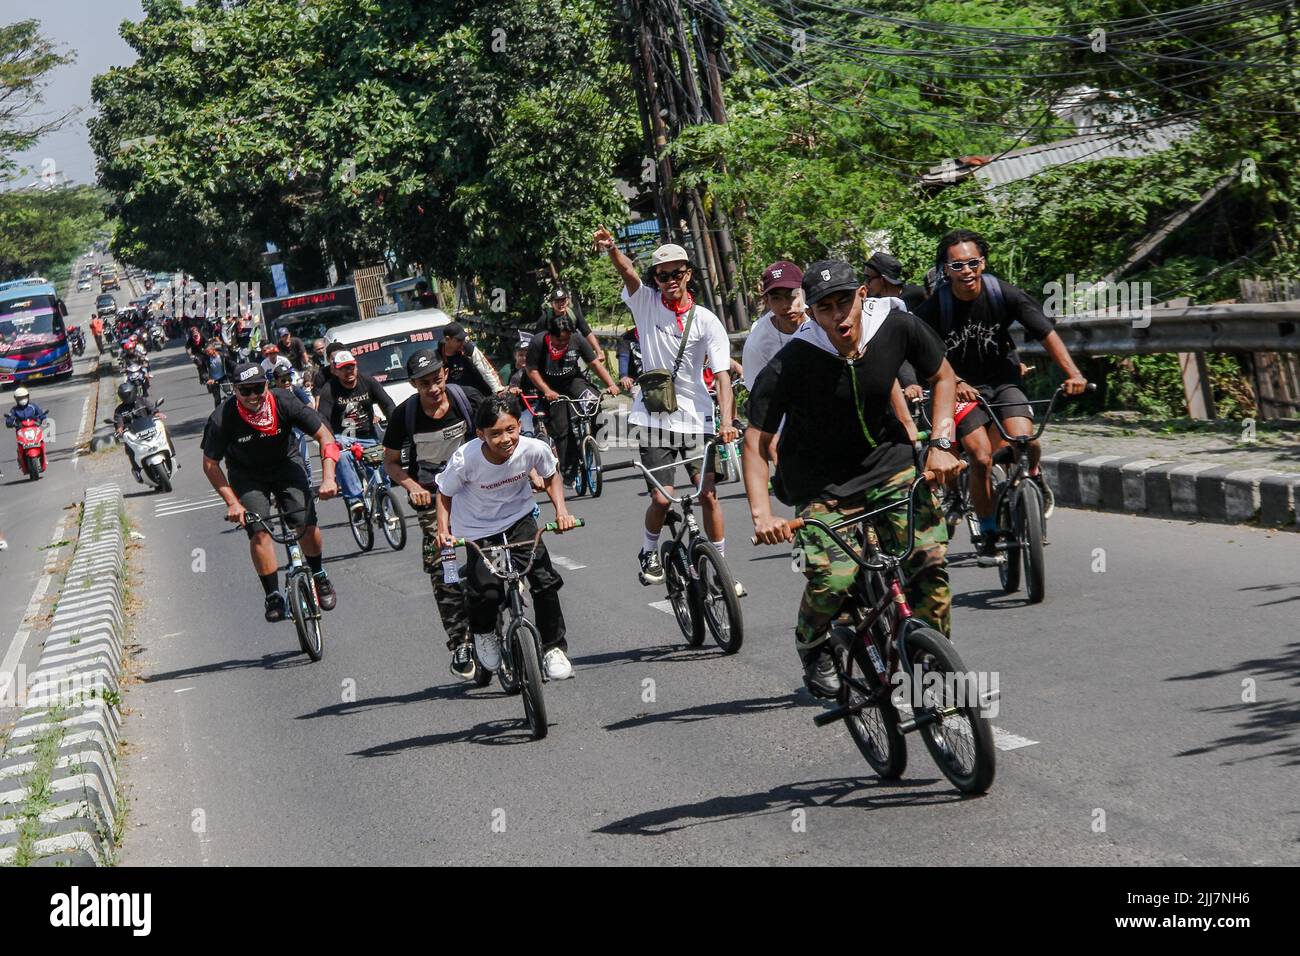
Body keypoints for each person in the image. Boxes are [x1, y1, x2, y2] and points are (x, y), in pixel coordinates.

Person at [744, 260, 961, 698]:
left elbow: (943, 375)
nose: (839, 316)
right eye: (825, 308)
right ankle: (812, 642)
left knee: (929, 565)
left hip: (892, 465)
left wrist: (940, 442)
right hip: (822, 486)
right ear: (811, 310)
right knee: (834, 579)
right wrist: (762, 514)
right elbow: (755, 440)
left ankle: (931, 665)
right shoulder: (792, 362)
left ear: (863, 294)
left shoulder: (895, 325)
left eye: (846, 301)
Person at [911, 229, 1088, 563]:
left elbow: (1045, 332)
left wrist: (1073, 374)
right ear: (945, 270)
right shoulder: (935, 308)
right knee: (979, 457)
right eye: (958, 265)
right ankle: (990, 533)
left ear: (983, 262)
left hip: (1003, 379)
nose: (967, 272)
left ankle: (1033, 477)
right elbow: (916, 349)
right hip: (960, 389)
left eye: (973, 263)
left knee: (1026, 440)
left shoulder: (1002, 294)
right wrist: (953, 379)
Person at [592, 227, 742, 594]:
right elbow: (628, 272)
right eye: (663, 275)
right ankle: (648, 550)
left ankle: (721, 569)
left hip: (698, 419)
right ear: (655, 279)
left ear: (688, 274)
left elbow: (722, 375)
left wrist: (726, 422)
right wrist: (613, 250)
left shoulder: (707, 320)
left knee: (707, 494)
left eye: (677, 273)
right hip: (654, 418)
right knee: (662, 497)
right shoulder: (645, 304)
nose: (671, 280)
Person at [435, 393, 578, 681]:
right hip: (479, 530)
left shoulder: (533, 448)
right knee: (487, 592)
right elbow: (445, 492)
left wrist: (561, 511)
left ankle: (553, 649)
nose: (505, 439)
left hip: (519, 520)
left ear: (519, 425)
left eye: (511, 429)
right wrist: (443, 531)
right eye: (495, 434)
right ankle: (485, 633)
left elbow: (551, 475)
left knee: (544, 581)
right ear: (481, 434)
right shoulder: (466, 459)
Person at [200, 363, 341, 622]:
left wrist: (329, 478)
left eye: (258, 388)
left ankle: (319, 575)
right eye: (245, 391)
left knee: (305, 524)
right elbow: (210, 464)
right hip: (247, 475)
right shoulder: (223, 417)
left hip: (286, 465)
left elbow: (326, 437)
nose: (253, 396)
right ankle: (273, 594)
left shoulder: (284, 401)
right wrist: (232, 503)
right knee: (259, 531)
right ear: (235, 391)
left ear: (267, 385)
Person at [382, 349, 484, 679]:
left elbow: (496, 434)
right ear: (414, 385)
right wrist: (412, 487)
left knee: (496, 556)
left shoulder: (466, 399)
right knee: (446, 569)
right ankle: (460, 643)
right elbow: (391, 463)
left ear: (445, 374)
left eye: (438, 379)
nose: (434, 388)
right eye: (425, 383)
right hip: (432, 500)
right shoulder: (404, 416)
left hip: (477, 493)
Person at [525, 312, 619, 486]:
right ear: (550, 335)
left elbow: (594, 364)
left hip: (573, 381)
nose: (562, 344)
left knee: (594, 400)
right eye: (559, 340)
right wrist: (546, 390)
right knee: (562, 428)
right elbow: (531, 370)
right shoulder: (538, 343)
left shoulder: (576, 340)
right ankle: (569, 471)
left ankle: (597, 435)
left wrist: (611, 384)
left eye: (565, 341)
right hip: (551, 388)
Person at [315, 349, 397, 519]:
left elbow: (387, 404)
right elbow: (322, 417)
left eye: (351, 367)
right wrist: (331, 440)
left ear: (356, 367)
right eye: (344, 368)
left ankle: (384, 504)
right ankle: (355, 500)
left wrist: (395, 428)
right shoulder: (329, 389)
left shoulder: (367, 381)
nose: (349, 371)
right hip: (342, 437)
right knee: (342, 458)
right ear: (335, 370)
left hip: (369, 436)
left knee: (383, 468)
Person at [741, 261, 806, 389]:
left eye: (792, 296)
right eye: (776, 298)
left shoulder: (823, 322)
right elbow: (758, 394)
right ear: (766, 301)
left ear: (804, 293)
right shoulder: (757, 343)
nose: (785, 305)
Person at [112, 381, 176, 482]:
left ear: (133, 392)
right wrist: (119, 429)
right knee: (129, 448)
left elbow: (152, 409)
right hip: (134, 435)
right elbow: (118, 422)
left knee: (163, 429)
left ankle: (171, 452)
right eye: (123, 396)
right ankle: (137, 470)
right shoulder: (119, 410)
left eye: (127, 395)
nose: (125, 397)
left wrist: (157, 413)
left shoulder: (142, 401)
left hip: (149, 429)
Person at [538, 288, 607, 372]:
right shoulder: (545, 319)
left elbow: (587, 332)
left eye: (562, 300)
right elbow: (537, 341)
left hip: (571, 352)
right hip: (552, 354)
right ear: (552, 303)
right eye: (557, 301)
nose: (560, 304)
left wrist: (599, 351)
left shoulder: (574, 314)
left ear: (567, 301)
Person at [437, 323, 506, 396]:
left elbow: (486, 370)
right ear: (447, 339)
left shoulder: (469, 350)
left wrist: (498, 390)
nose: (463, 343)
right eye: (459, 340)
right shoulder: (437, 357)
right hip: (455, 399)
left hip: (477, 396)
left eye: (464, 339)